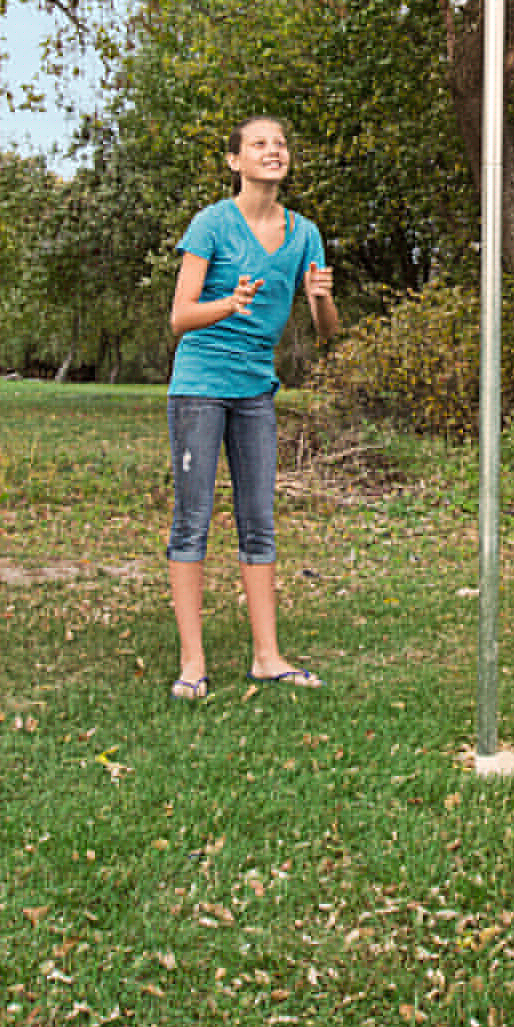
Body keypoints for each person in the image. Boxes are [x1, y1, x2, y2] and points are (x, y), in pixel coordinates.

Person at [166, 115, 341, 701]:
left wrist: (321, 302)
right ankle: (193, 662)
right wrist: (228, 302)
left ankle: (267, 656)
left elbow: (328, 332)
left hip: (255, 389)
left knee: (259, 522)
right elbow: (181, 316)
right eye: (259, 144)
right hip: (199, 384)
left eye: (281, 143)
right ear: (235, 160)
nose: (274, 151)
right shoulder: (212, 224)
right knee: (193, 520)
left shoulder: (304, 234)